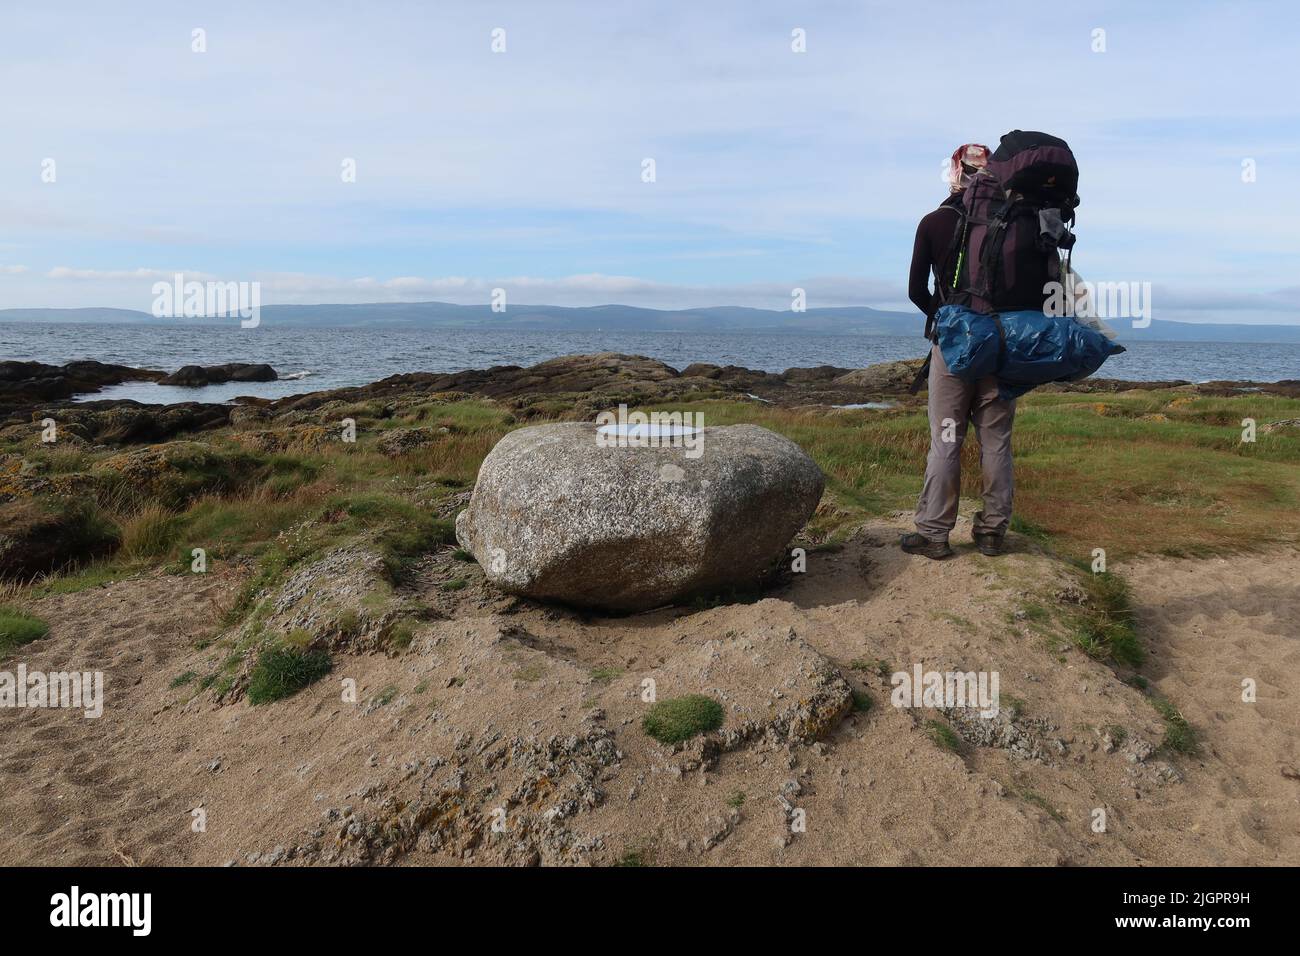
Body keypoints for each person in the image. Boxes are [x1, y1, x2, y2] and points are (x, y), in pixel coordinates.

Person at [899, 142, 1016, 559]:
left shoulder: (933, 222)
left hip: (952, 345)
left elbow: (916, 290)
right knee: (996, 440)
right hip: (1001, 346)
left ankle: (934, 534)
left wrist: (946, 317)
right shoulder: (1013, 223)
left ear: (954, 172)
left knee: (946, 439)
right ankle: (991, 533)